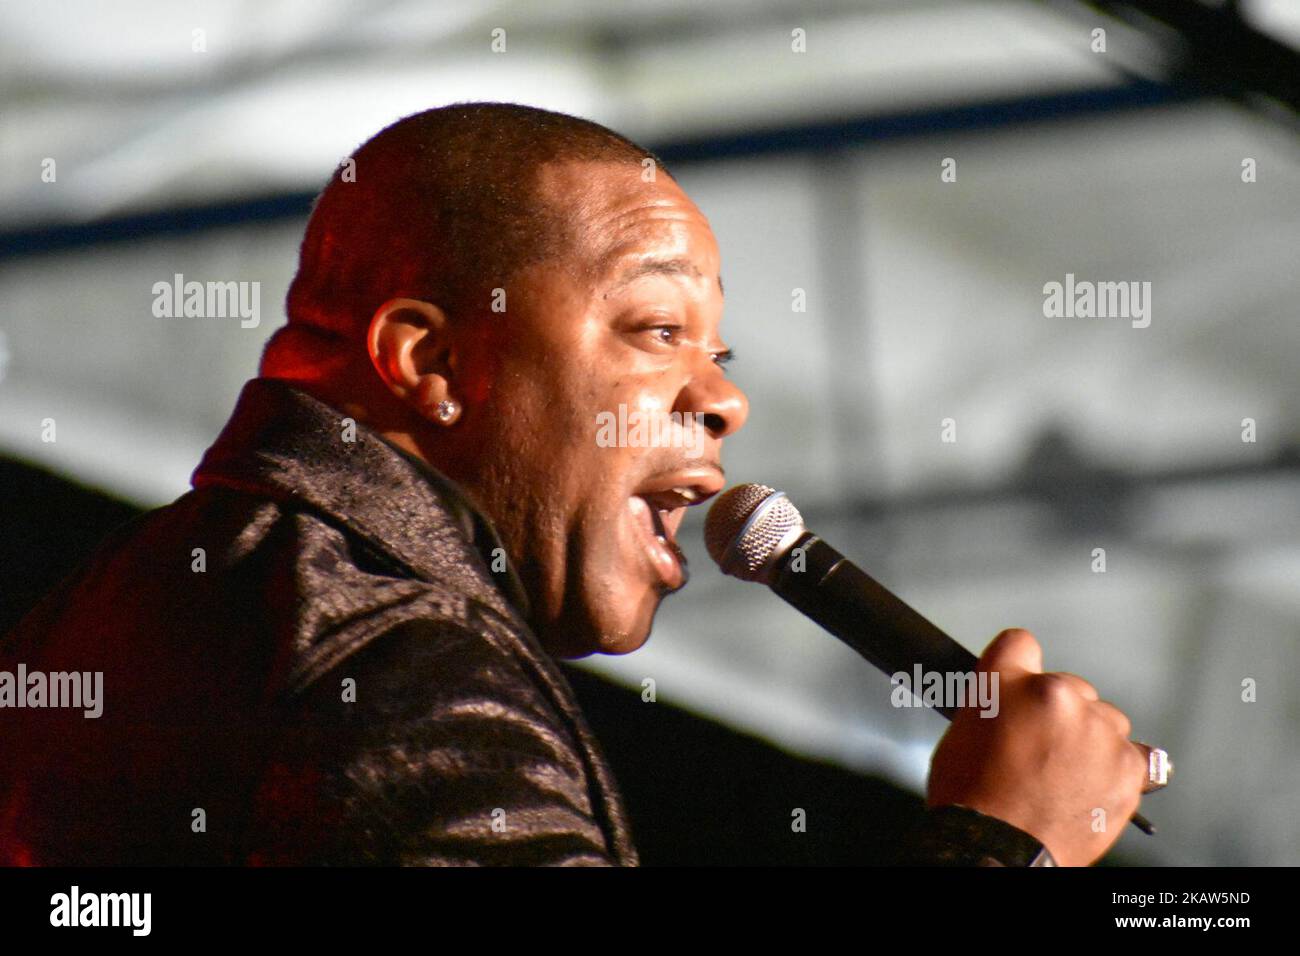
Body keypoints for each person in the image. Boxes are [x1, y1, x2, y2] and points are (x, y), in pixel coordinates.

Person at [0, 103, 1147, 866]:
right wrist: (1003, 837)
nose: (724, 399)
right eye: (656, 329)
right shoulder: (399, 663)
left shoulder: (133, 600)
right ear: (430, 361)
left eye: (720, 354)